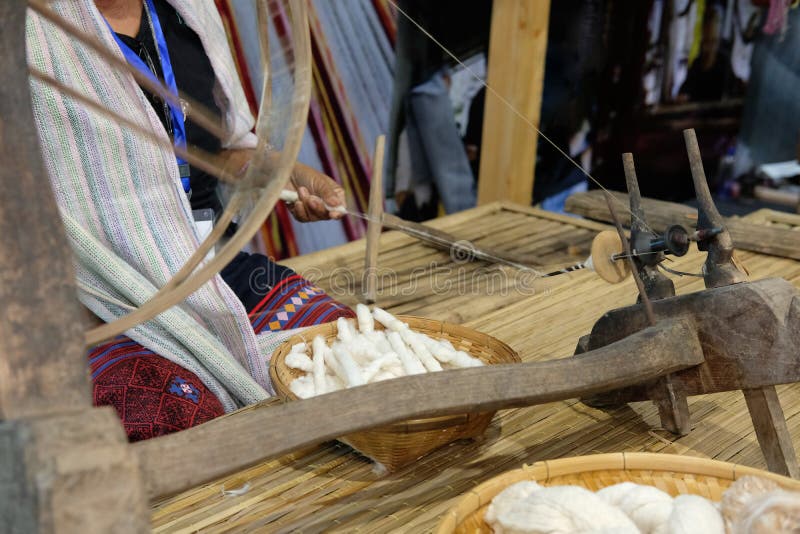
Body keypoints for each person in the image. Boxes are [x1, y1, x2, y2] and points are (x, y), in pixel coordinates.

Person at [27, 0, 355, 441]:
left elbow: (222, 150)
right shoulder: (27, 32)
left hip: (214, 271)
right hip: (99, 303)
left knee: (345, 354)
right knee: (175, 419)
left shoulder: (191, 12)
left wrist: (286, 173)